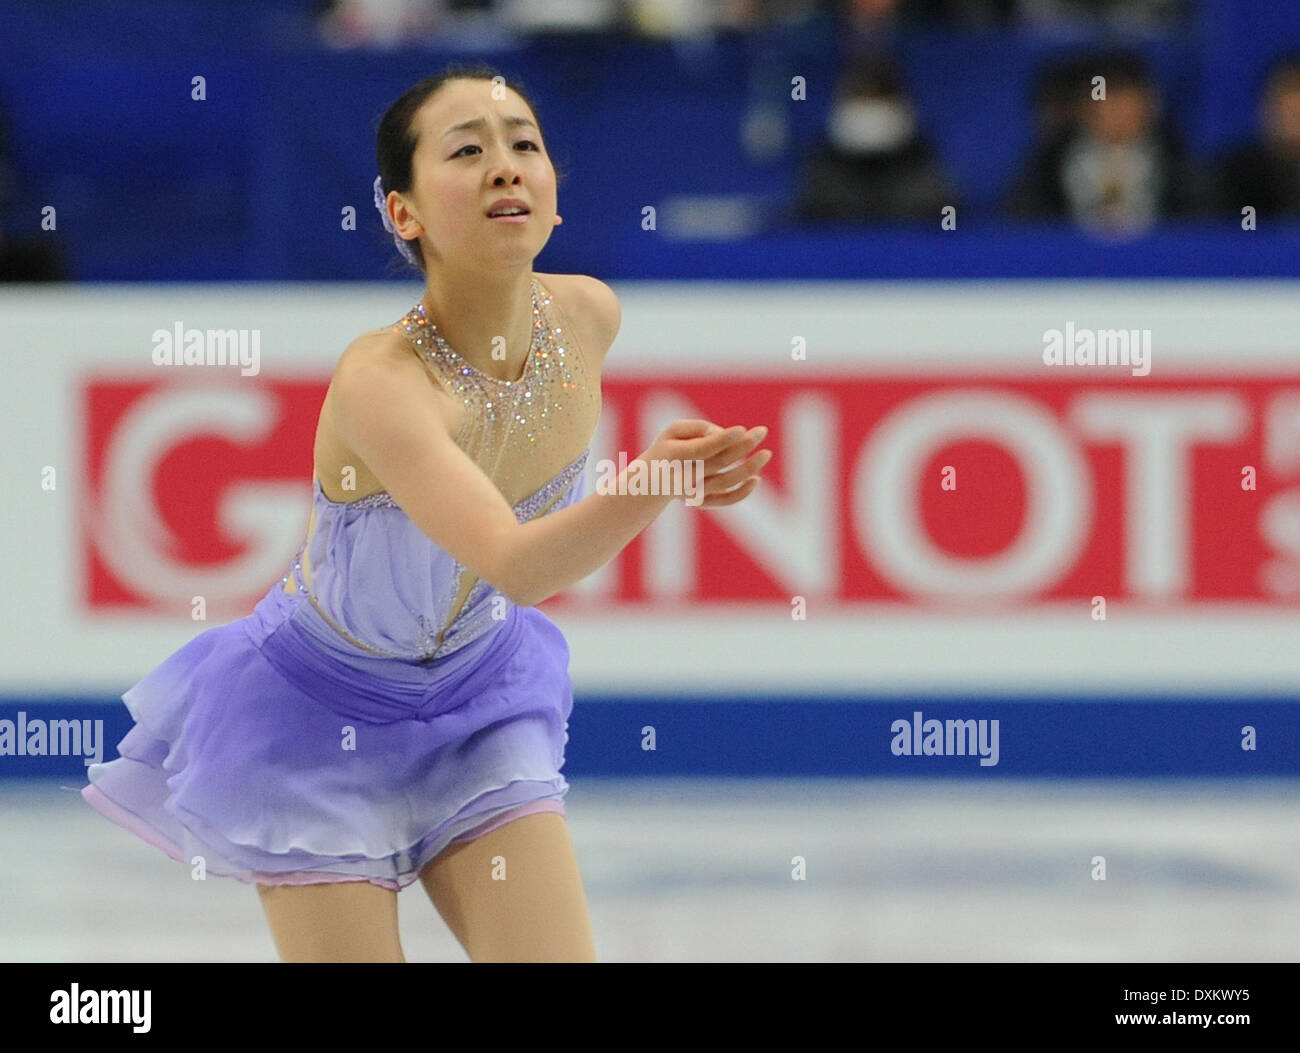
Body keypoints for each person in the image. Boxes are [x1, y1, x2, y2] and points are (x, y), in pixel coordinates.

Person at [81, 63, 773, 962]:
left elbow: (524, 576)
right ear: (403, 213)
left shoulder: (590, 316)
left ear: (555, 193)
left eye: (525, 144)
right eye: (467, 151)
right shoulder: (383, 384)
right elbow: (516, 564)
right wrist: (649, 486)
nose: (505, 167)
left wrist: (658, 483)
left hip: (480, 700)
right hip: (313, 722)